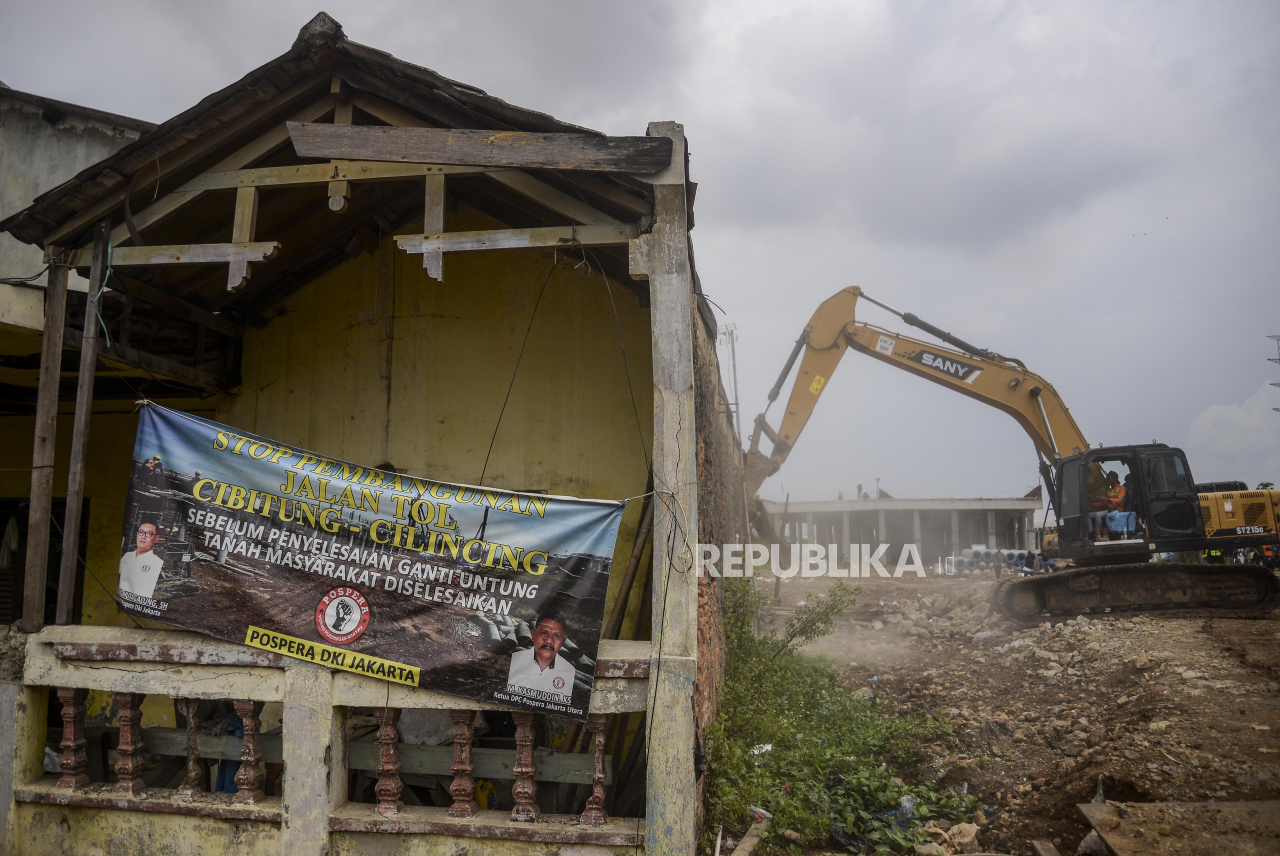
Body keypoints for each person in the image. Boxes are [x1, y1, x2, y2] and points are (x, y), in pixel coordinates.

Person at [506, 612, 575, 703]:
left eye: (556, 636)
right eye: (544, 633)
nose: (549, 641)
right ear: (533, 634)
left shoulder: (569, 671)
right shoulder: (514, 660)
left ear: (563, 641)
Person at [119, 520, 162, 599]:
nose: (144, 536)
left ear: (156, 538)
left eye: (149, 533)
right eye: (141, 532)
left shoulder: (157, 563)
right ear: (137, 535)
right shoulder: (127, 556)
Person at [1089, 471, 1126, 540]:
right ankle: (1090, 534)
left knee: (1098, 515)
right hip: (1109, 509)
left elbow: (1119, 501)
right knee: (1088, 515)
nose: (1107, 480)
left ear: (1114, 479)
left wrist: (1106, 498)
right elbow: (1104, 502)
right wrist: (1092, 504)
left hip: (1116, 510)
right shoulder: (1109, 490)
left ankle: (1099, 535)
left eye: (1108, 478)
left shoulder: (1121, 489)